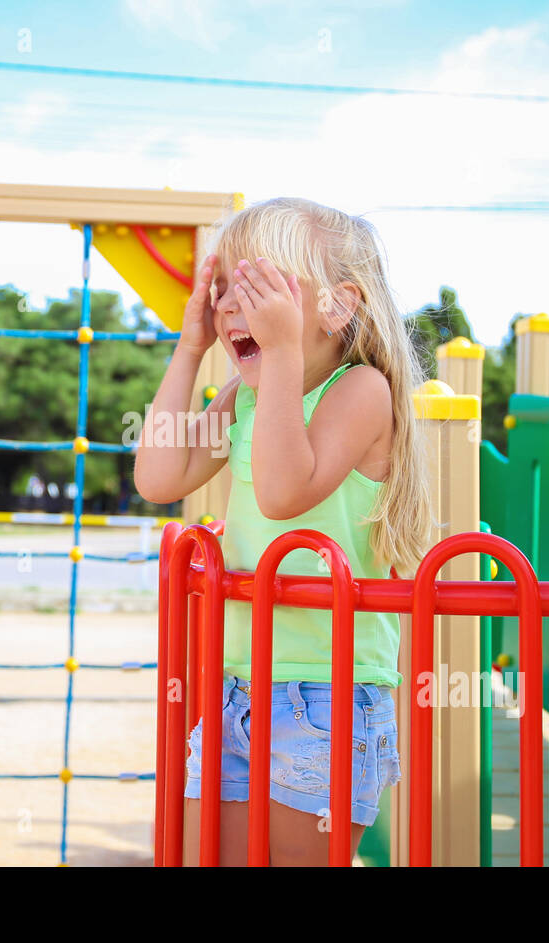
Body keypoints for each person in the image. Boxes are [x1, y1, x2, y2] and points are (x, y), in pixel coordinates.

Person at [134, 198, 431, 864]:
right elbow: (158, 477)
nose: (236, 307)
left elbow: (281, 493)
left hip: (328, 695)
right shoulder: (244, 399)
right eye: (225, 290)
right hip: (238, 681)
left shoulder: (360, 392)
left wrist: (281, 353)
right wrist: (189, 350)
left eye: (261, 287)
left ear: (335, 306)